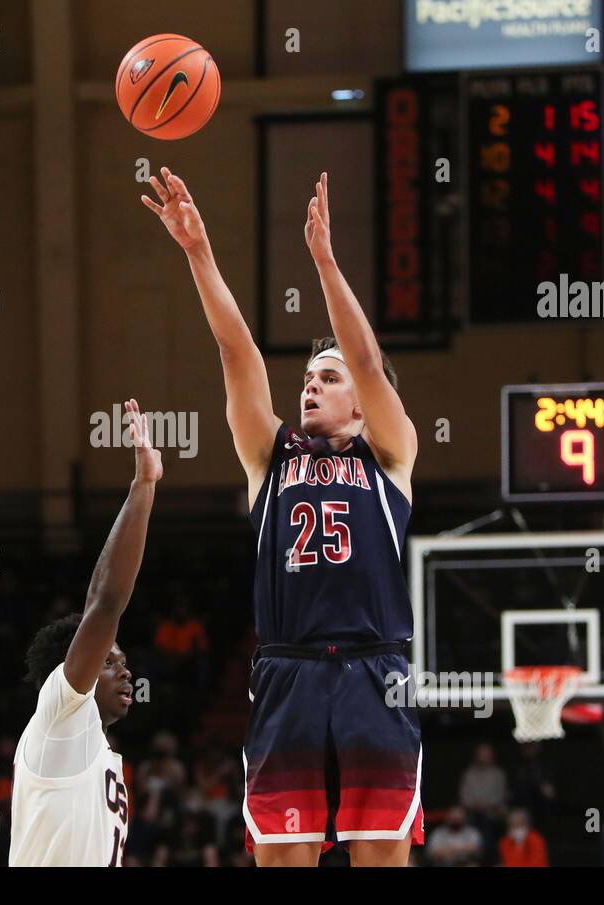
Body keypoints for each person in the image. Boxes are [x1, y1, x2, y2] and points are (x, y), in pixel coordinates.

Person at [144, 167, 422, 866]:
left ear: (361, 400)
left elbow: (365, 356)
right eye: (307, 378)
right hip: (287, 674)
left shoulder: (389, 455)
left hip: (374, 674)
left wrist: (325, 261)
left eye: (328, 379)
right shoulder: (269, 457)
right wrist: (197, 252)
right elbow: (236, 350)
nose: (312, 385)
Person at [9, 400, 162, 866]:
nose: (125, 669)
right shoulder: (61, 715)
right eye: (109, 661)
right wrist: (143, 486)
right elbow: (105, 602)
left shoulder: (99, 752)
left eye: (121, 660)